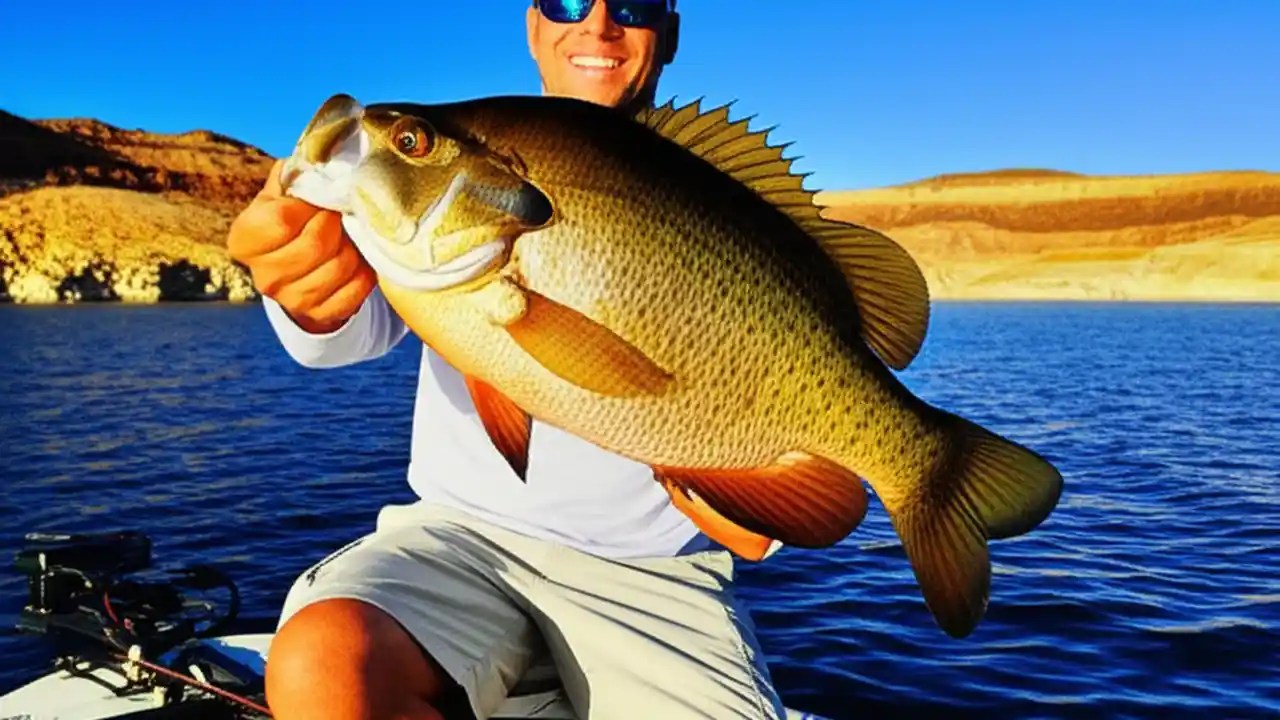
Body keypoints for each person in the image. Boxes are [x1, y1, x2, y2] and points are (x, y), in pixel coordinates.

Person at [227, 2, 785, 718]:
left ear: (668, 33)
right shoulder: (476, 167)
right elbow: (339, 332)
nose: (599, 23)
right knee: (325, 661)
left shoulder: (720, 192)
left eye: (637, 1)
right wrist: (306, 288)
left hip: (656, 576)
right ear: (532, 26)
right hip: (459, 541)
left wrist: (760, 504)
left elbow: (791, 393)